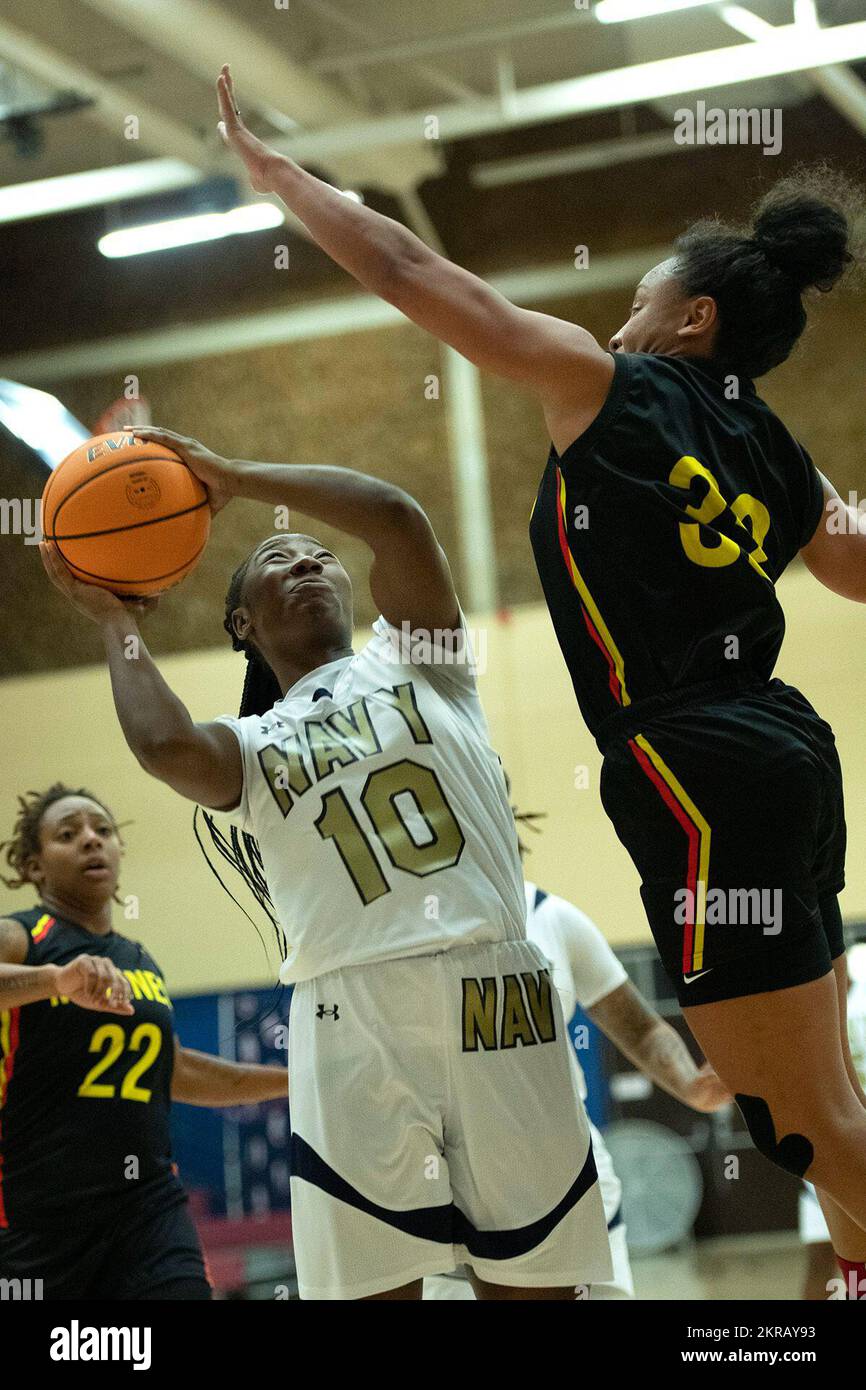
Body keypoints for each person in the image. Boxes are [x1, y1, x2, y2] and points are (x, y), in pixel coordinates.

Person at [208, 69, 866, 1288]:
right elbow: (856, 567)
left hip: (698, 763)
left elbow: (413, 274)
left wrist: (277, 176)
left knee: (806, 1129)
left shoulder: (608, 384)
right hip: (787, 750)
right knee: (831, 1119)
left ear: (691, 323)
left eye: (636, 302)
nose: (616, 322)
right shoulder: (777, 447)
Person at [40, 441, 612, 1302]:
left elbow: (394, 516)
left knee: (534, 1286)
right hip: (349, 1012)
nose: (307, 558)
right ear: (242, 623)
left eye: (317, 553)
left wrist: (234, 478)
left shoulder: (425, 661)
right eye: (277, 558)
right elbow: (163, 744)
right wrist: (115, 620)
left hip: (498, 985)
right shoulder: (251, 748)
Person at [425, 792, 731, 1300]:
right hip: (447, 1185)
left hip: (568, 1170)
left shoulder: (553, 916)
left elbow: (641, 1027)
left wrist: (690, 1085)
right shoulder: (402, 933)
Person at [0, 783, 289, 1300]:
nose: (91, 840)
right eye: (68, 834)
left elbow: (173, 1070)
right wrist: (53, 980)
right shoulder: (24, 935)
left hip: (146, 1207)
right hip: (35, 1214)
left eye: (103, 830)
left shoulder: (137, 958)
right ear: (35, 865)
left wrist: (295, 1082)